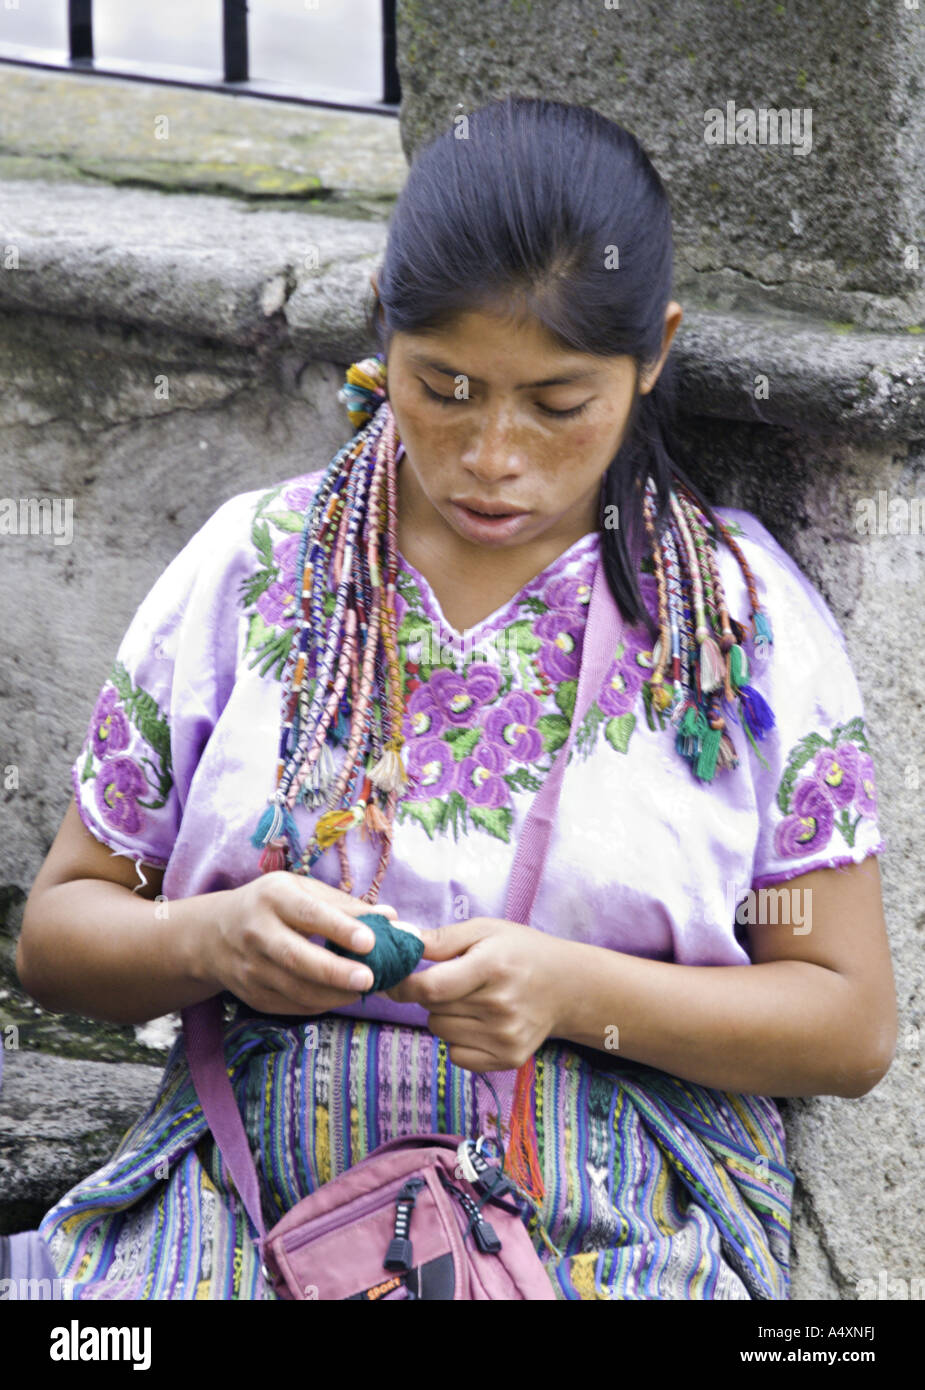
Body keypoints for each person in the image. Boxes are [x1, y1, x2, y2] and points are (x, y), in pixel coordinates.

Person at [12, 95, 895, 1301]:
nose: (493, 455)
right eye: (446, 387)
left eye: (558, 404)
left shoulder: (731, 622)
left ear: (652, 355)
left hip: (604, 1222)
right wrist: (208, 939)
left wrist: (576, 993)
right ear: (385, 322)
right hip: (249, 1202)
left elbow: (847, 1024)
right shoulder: (257, 569)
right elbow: (62, 937)